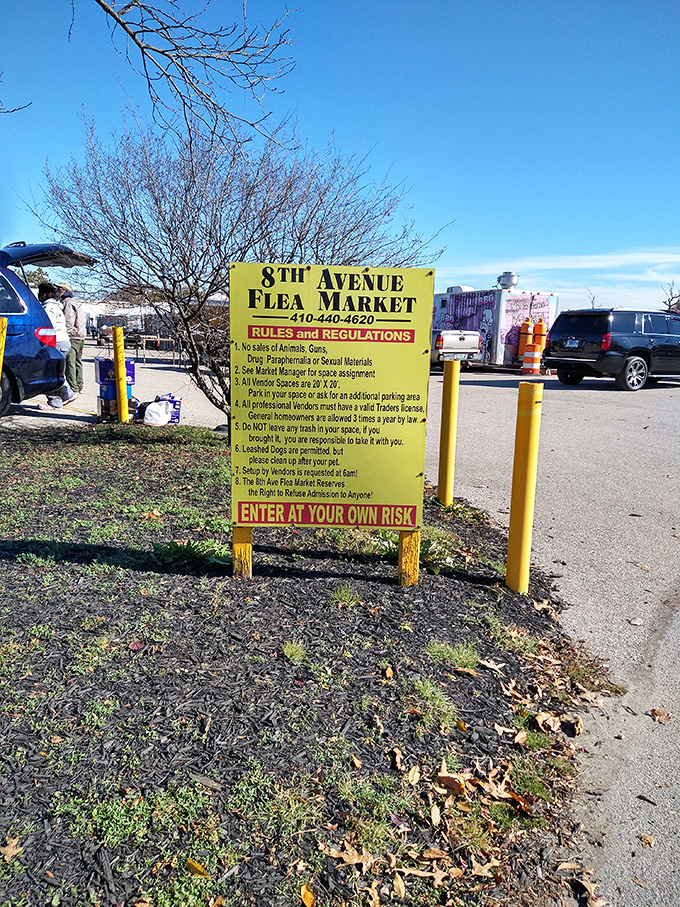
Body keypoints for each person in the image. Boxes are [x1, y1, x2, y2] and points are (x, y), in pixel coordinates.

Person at [37, 282, 77, 410]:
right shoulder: (57, 306)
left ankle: (60, 398)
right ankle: (61, 398)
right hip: (63, 341)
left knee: (48, 373)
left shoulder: (48, 307)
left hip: (56, 342)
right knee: (54, 371)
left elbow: (47, 326)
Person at [58, 281, 86, 393]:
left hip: (73, 336)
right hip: (80, 336)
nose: (57, 290)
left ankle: (73, 387)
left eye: (59, 288)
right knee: (77, 361)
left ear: (64, 290)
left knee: (70, 362)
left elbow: (68, 320)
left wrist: (67, 332)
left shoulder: (67, 303)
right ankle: (80, 385)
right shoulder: (75, 302)